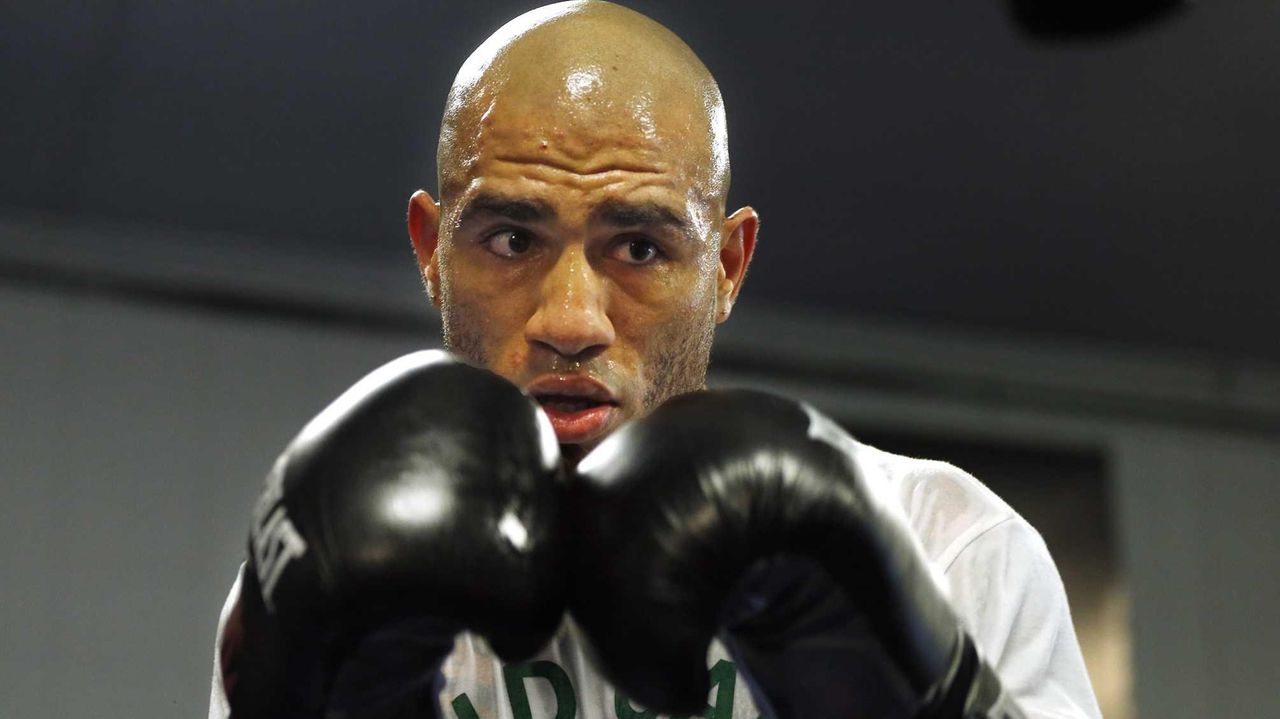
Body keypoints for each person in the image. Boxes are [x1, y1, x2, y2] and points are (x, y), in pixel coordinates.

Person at [208, 2, 1103, 718]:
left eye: (638, 247)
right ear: (432, 252)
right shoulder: (336, 562)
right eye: (513, 238)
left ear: (726, 266)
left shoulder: (950, 551)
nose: (570, 319)